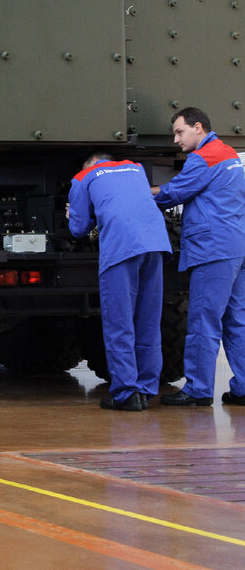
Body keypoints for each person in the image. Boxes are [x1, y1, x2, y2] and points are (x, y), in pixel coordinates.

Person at [151, 107, 245, 406]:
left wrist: (132, 190)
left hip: (213, 250)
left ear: (198, 127)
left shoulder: (203, 158)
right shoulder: (229, 153)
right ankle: (243, 388)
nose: (176, 139)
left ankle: (198, 389)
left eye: (180, 132)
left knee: (204, 321)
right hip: (236, 247)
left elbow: (170, 194)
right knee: (237, 321)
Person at [67, 153, 172, 411]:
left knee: (120, 323)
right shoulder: (135, 169)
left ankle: (126, 393)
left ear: (90, 164)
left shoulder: (83, 177)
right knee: (148, 321)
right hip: (155, 245)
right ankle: (146, 390)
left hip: (121, 247)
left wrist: (73, 216)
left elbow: (79, 230)